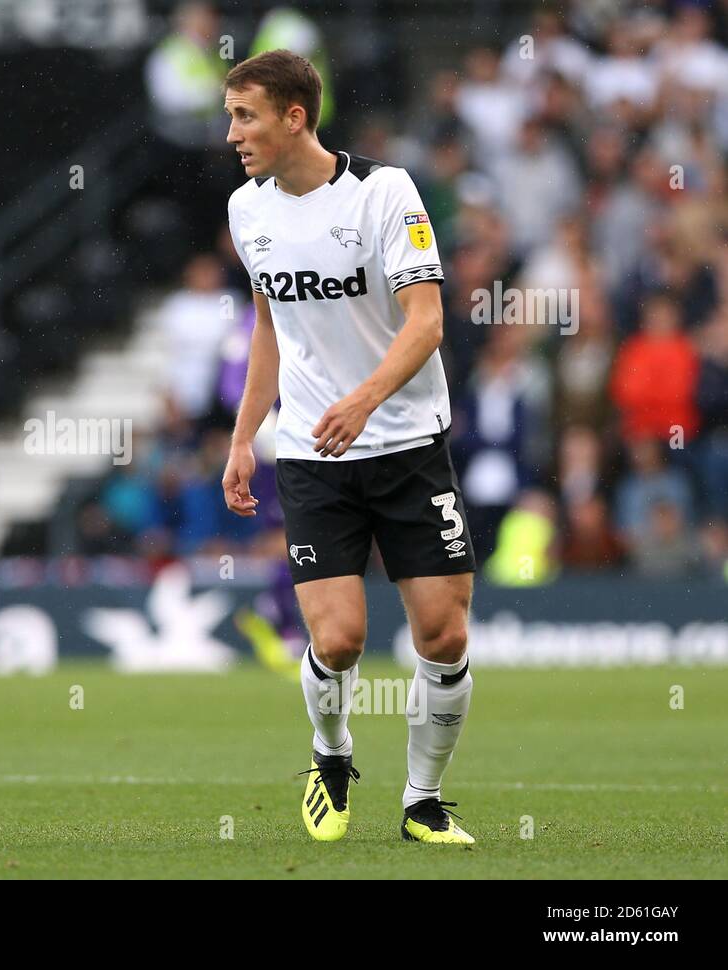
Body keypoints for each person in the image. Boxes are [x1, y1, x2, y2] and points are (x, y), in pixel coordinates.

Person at [221, 50, 477, 845]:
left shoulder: (385, 193)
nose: (233, 134)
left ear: (295, 117)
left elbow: (427, 321)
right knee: (337, 639)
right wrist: (243, 438)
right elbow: (271, 324)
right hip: (311, 451)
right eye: (231, 116)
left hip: (405, 445)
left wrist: (364, 400)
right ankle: (331, 755)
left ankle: (423, 802)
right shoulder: (247, 210)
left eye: (246, 116)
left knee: (445, 635)